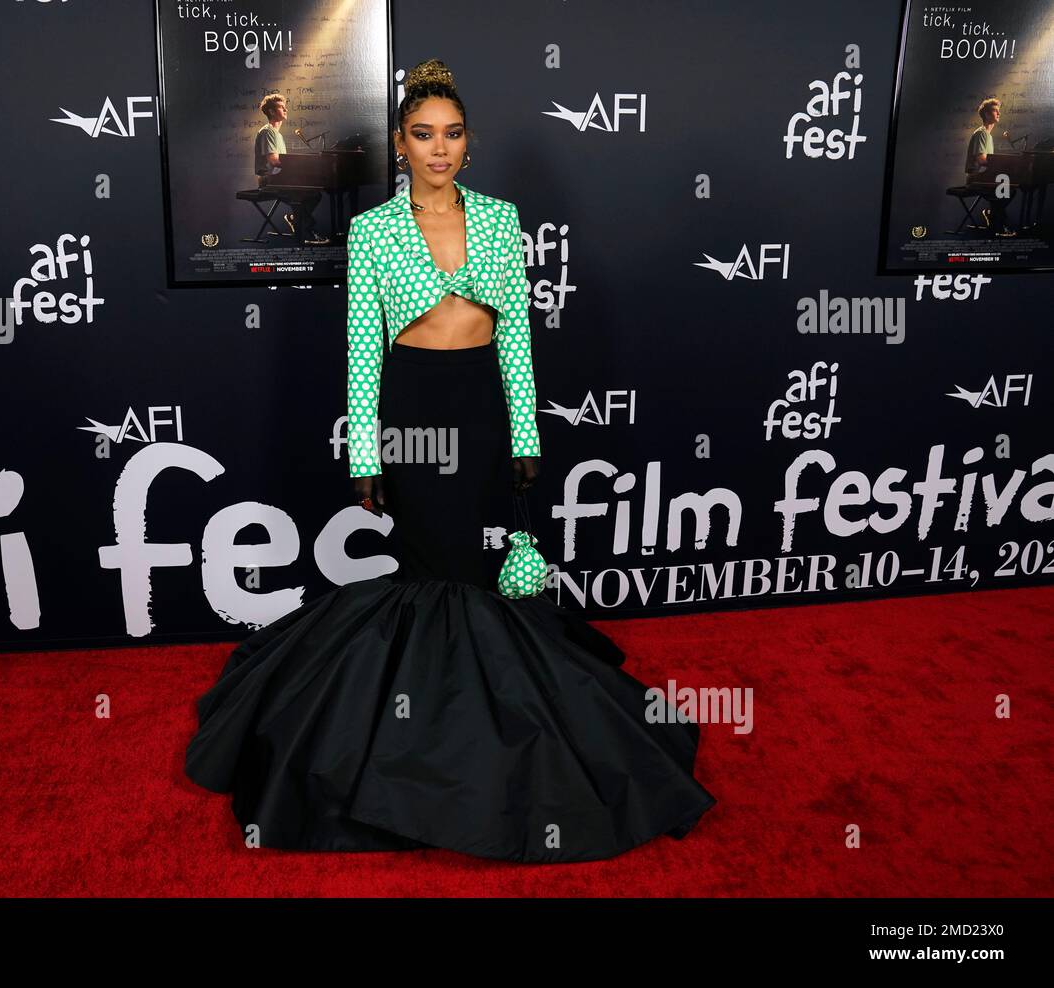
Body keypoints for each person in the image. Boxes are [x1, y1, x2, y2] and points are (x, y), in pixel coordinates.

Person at [184, 60, 716, 862]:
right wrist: (366, 453)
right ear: (400, 143)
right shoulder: (372, 231)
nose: (440, 149)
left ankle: (455, 739)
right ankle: (430, 748)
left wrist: (526, 437)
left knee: (471, 574)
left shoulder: (502, 220)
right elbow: (364, 350)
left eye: (453, 134)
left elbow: (518, 342)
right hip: (411, 408)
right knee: (436, 576)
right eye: (423, 134)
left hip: (481, 410)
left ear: (470, 142)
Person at [254, 90, 327, 245]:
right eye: (281, 107)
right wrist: (298, 165)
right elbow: (274, 161)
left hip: (278, 178)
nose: (286, 110)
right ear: (272, 111)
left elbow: (282, 163)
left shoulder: (277, 134)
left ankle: (296, 221)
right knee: (307, 194)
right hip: (269, 180)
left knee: (315, 193)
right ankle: (307, 231)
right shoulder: (268, 132)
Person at [964, 97, 1017, 237]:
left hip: (983, 177)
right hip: (975, 179)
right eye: (995, 111)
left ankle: (994, 217)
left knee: (1008, 188)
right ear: (987, 114)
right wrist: (1000, 164)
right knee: (1008, 190)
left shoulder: (988, 135)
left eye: (999, 111)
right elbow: (981, 160)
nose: (998, 113)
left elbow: (988, 162)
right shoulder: (982, 133)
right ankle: (998, 223)